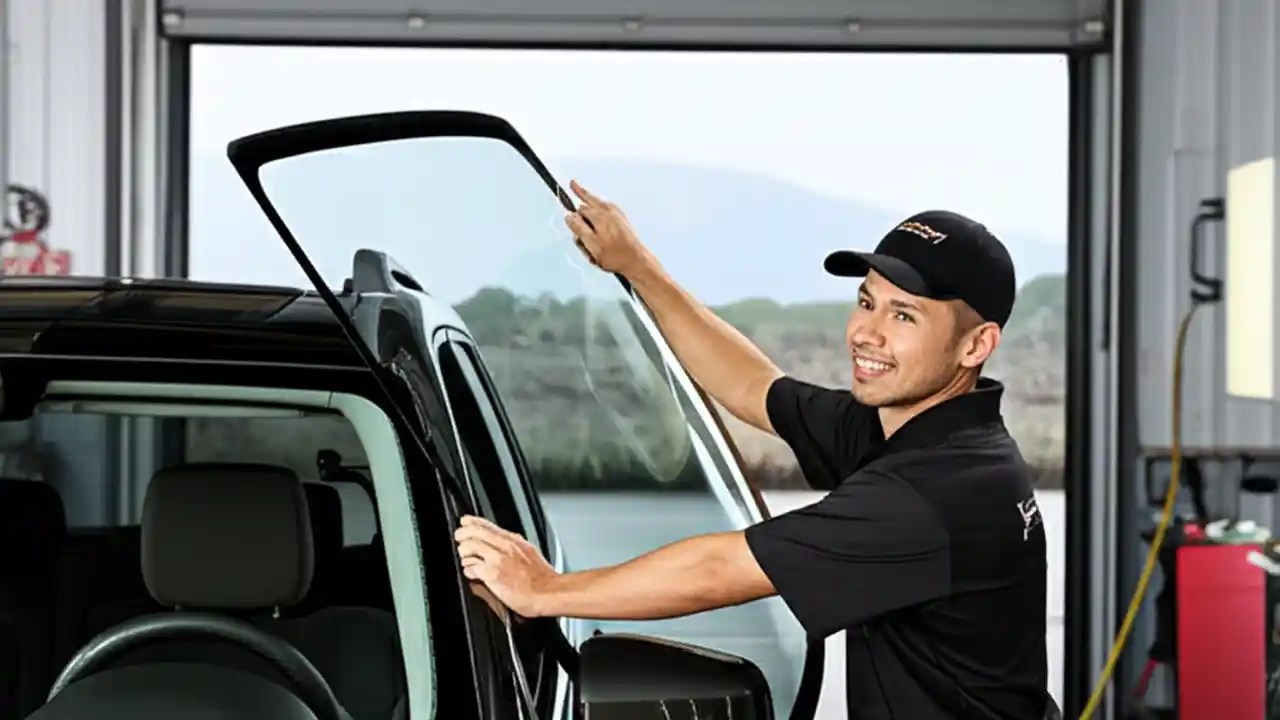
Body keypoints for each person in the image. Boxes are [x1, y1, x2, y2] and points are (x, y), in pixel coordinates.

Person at [455, 180, 1051, 719]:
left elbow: (721, 569)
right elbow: (752, 387)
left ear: (977, 345)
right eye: (867, 302)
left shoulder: (932, 492)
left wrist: (545, 592)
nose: (867, 333)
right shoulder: (920, 435)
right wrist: (640, 269)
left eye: (904, 316)